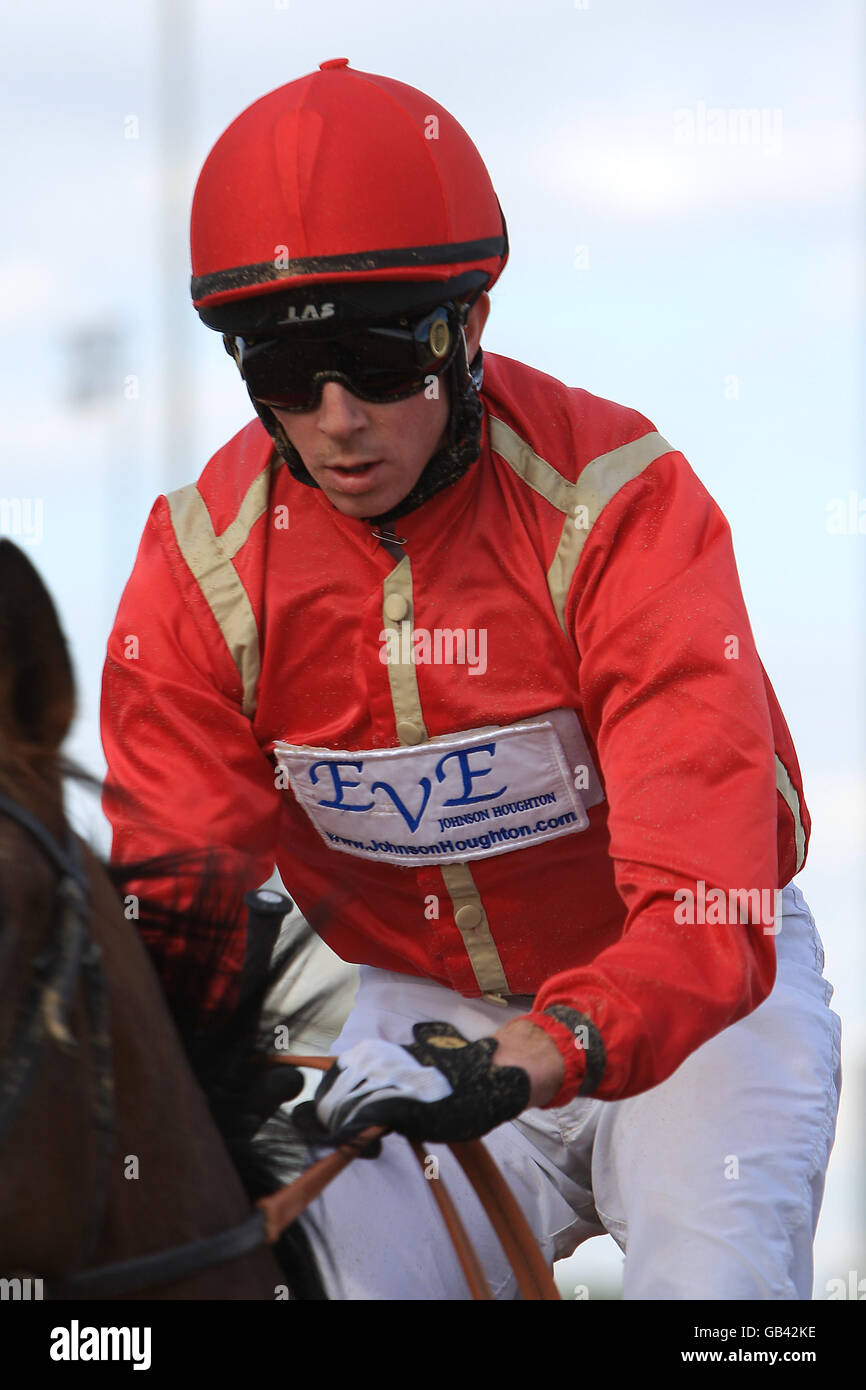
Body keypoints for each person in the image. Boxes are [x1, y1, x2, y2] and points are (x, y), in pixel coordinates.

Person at [101, 58, 841, 1300]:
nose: (336, 419)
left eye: (380, 363)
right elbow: (184, 928)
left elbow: (708, 903)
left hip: (695, 1002)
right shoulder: (195, 570)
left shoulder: (621, 508)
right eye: (284, 374)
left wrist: (536, 1051)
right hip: (413, 1023)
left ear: (470, 327)